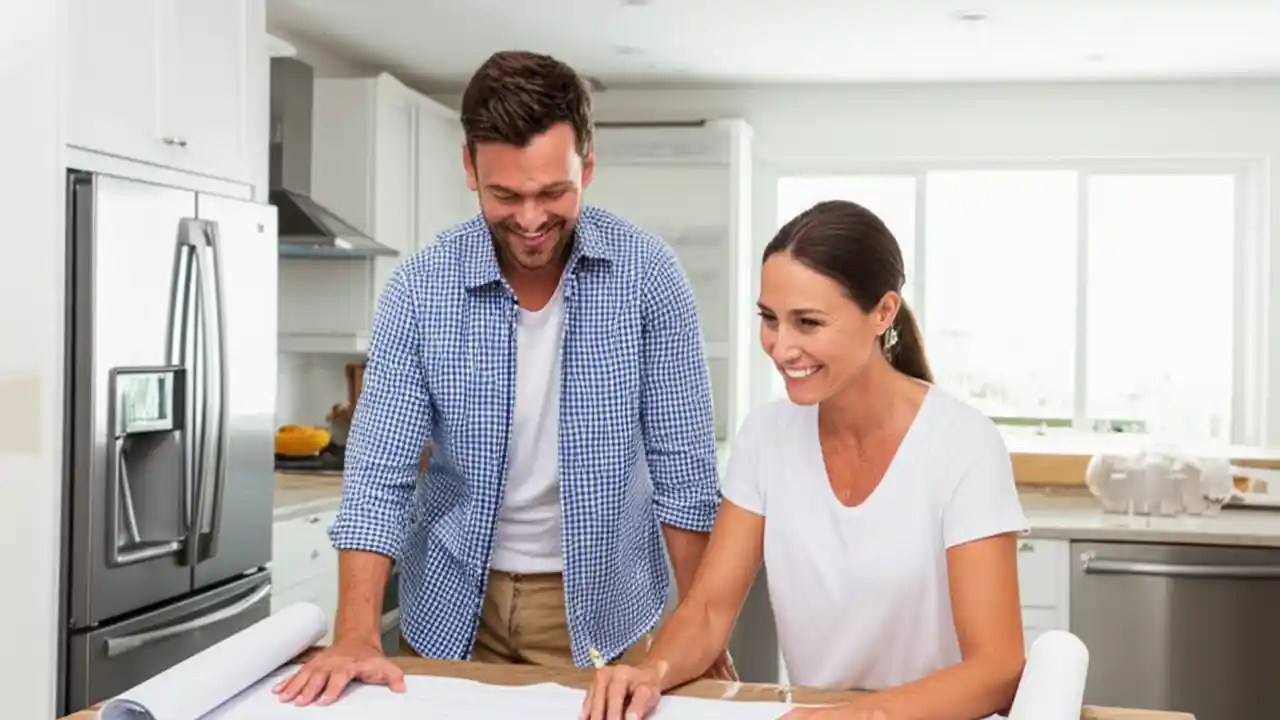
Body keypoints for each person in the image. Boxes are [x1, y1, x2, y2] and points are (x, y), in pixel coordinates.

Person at [274, 50, 732, 707]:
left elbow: (683, 478)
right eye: (505, 194)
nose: (529, 218)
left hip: (604, 611)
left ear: (588, 165)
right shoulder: (420, 288)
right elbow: (380, 474)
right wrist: (356, 634)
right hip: (453, 605)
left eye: (552, 192)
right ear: (469, 167)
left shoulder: (648, 278)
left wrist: (700, 636)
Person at [583, 200, 1029, 720]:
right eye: (769, 319)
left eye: (808, 323)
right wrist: (651, 672)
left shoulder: (963, 444)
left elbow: (997, 669)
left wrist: (859, 718)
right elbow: (707, 611)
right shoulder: (766, 438)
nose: (781, 347)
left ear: (883, 313)